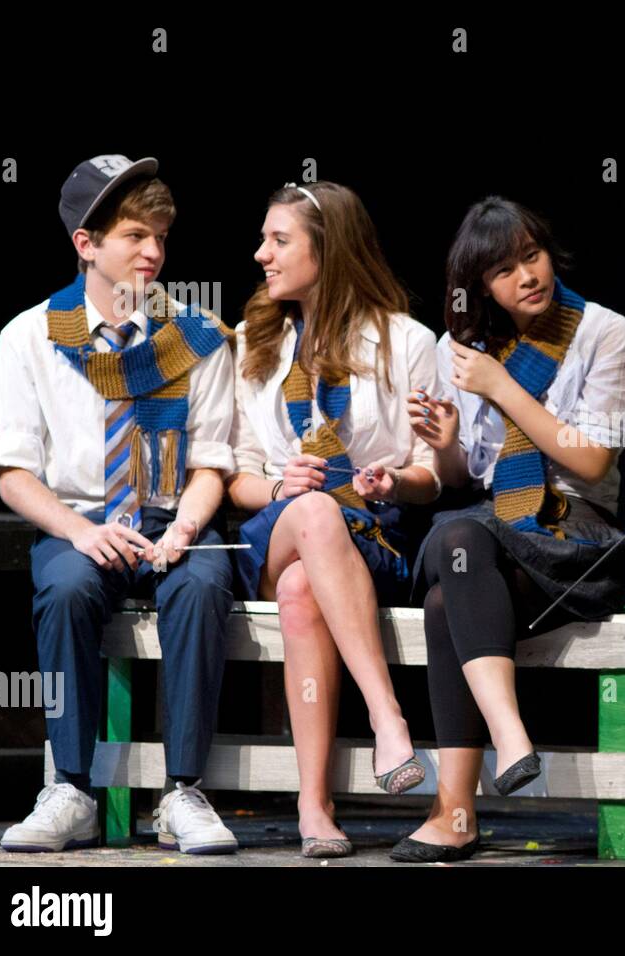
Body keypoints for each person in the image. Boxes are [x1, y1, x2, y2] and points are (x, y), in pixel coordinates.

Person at [0, 155, 240, 854]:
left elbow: (212, 462)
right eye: (134, 235)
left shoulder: (197, 335)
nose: (153, 252)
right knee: (65, 589)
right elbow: (12, 471)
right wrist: (81, 531)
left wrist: (186, 525)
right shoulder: (29, 337)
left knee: (203, 584)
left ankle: (185, 791)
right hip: (79, 523)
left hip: (171, 519)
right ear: (86, 244)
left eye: (160, 236)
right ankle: (72, 788)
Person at [388, 196, 625, 862]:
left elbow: (590, 457)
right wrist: (442, 444)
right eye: (504, 269)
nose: (527, 276)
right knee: (453, 570)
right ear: (479, 289)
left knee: (455, 549)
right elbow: (463, 475)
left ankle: (457, 809)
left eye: (532, 255)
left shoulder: (603, 331)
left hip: (574, 540)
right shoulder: (462, 350)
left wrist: (501, 388)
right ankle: (510, 741)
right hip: (497, 537)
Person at [226, 181, 442, 858]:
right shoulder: (253, 344)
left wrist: (391, 481)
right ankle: (387, 714)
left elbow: (433, 475)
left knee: (302, 590)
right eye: (265, 239)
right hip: (272, 533)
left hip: (369, 539)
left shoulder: (406, 341)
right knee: (312, 508)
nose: (262, 253)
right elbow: (235, 479)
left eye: (279, 240)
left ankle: (314, 808)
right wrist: (275, 483)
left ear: (329, 248)